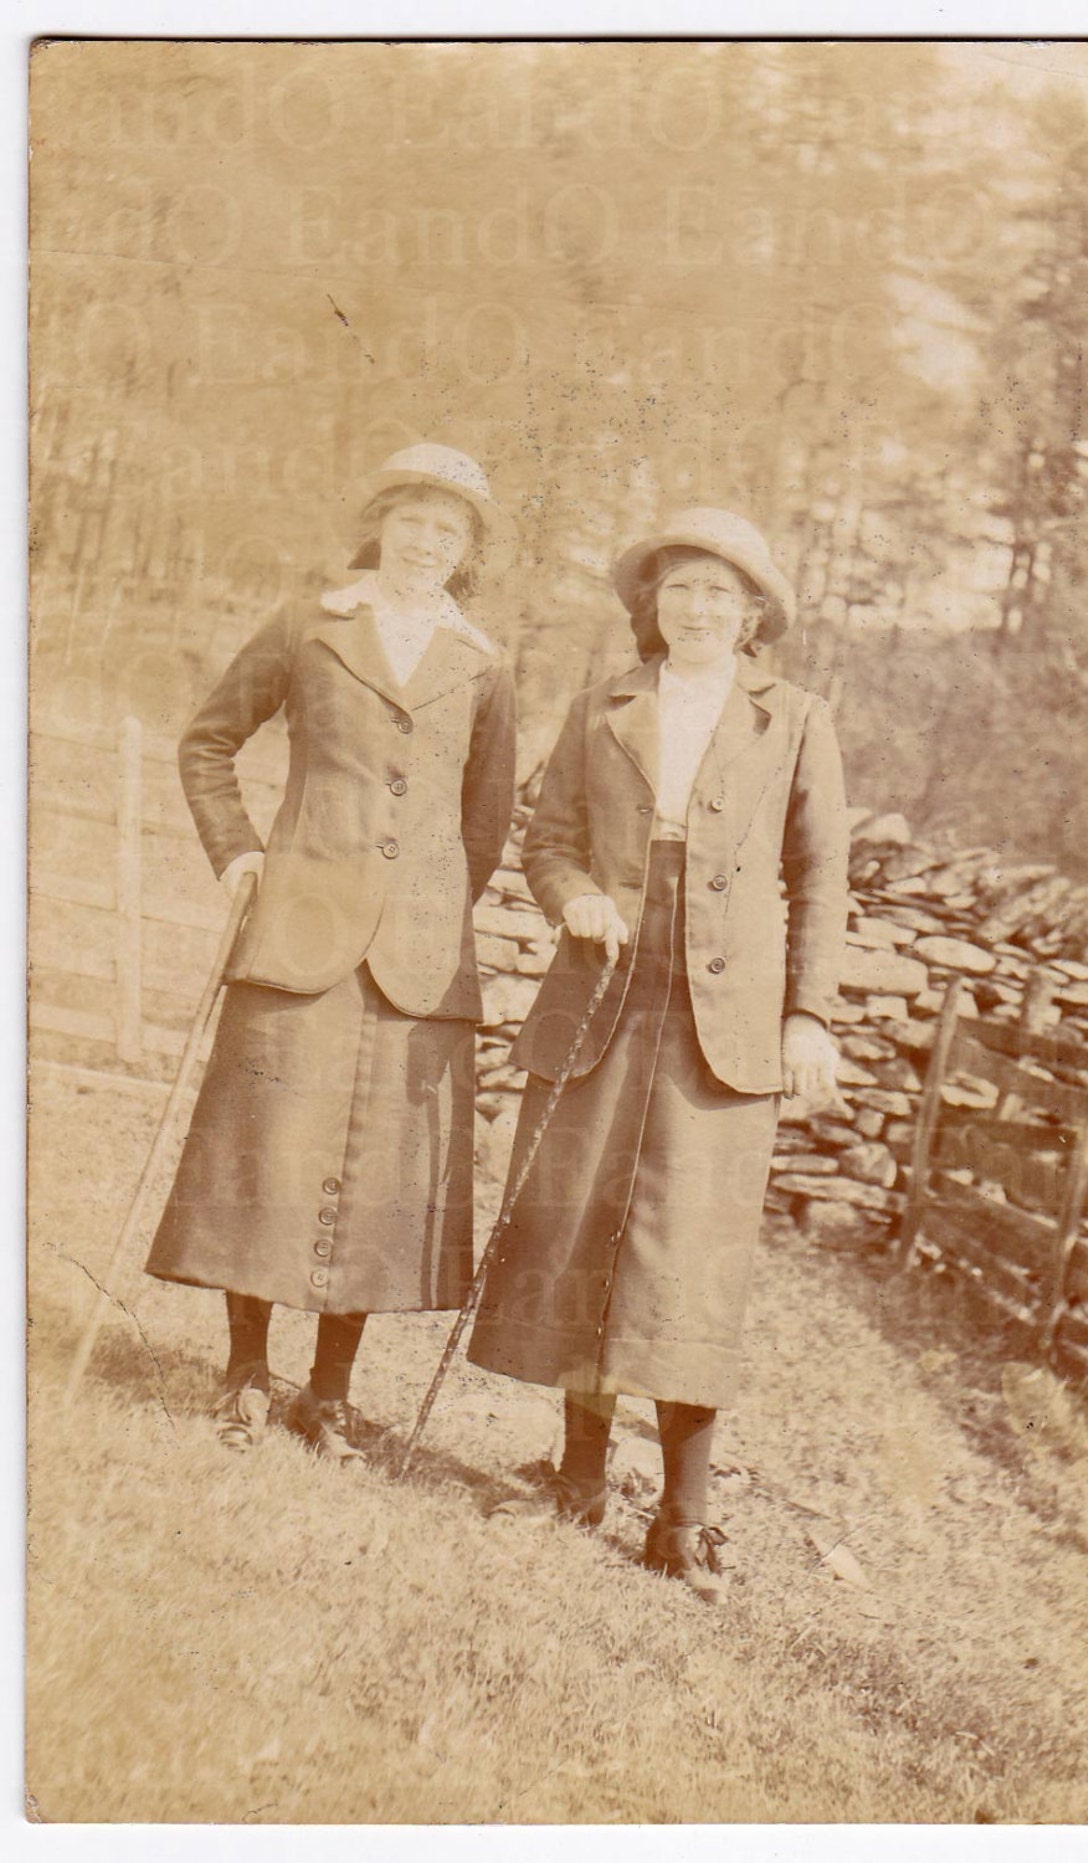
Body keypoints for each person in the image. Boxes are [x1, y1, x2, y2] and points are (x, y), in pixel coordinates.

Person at [467, 506, 848, 1600]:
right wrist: (575, 896)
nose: (699, 609)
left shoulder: (796, 719)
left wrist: (809, 1014)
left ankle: (684, 1517)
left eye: (722, 593)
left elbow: (822, 875)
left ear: (754, 614)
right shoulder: (604, 706)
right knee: (585, 1223)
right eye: (680, 588)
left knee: (692, 1252)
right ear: (652, 603)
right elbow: (548, 841)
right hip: (606, 986)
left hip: (724, 1017)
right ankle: (580, 1477)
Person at [146, 444, 517, 1459]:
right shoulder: (311, 624)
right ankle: (245, 1375)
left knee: (376, 1167)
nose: (427, 543)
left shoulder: (483, 663)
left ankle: (330, 1394)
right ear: (379, 525)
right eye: (412, 521)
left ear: (468, 551)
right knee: (269, 1150)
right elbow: (207, 742)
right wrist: (241, 855)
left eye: (448, 531)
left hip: (414, 958)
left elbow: (485, 820)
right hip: (300, 934)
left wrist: (428, 910)